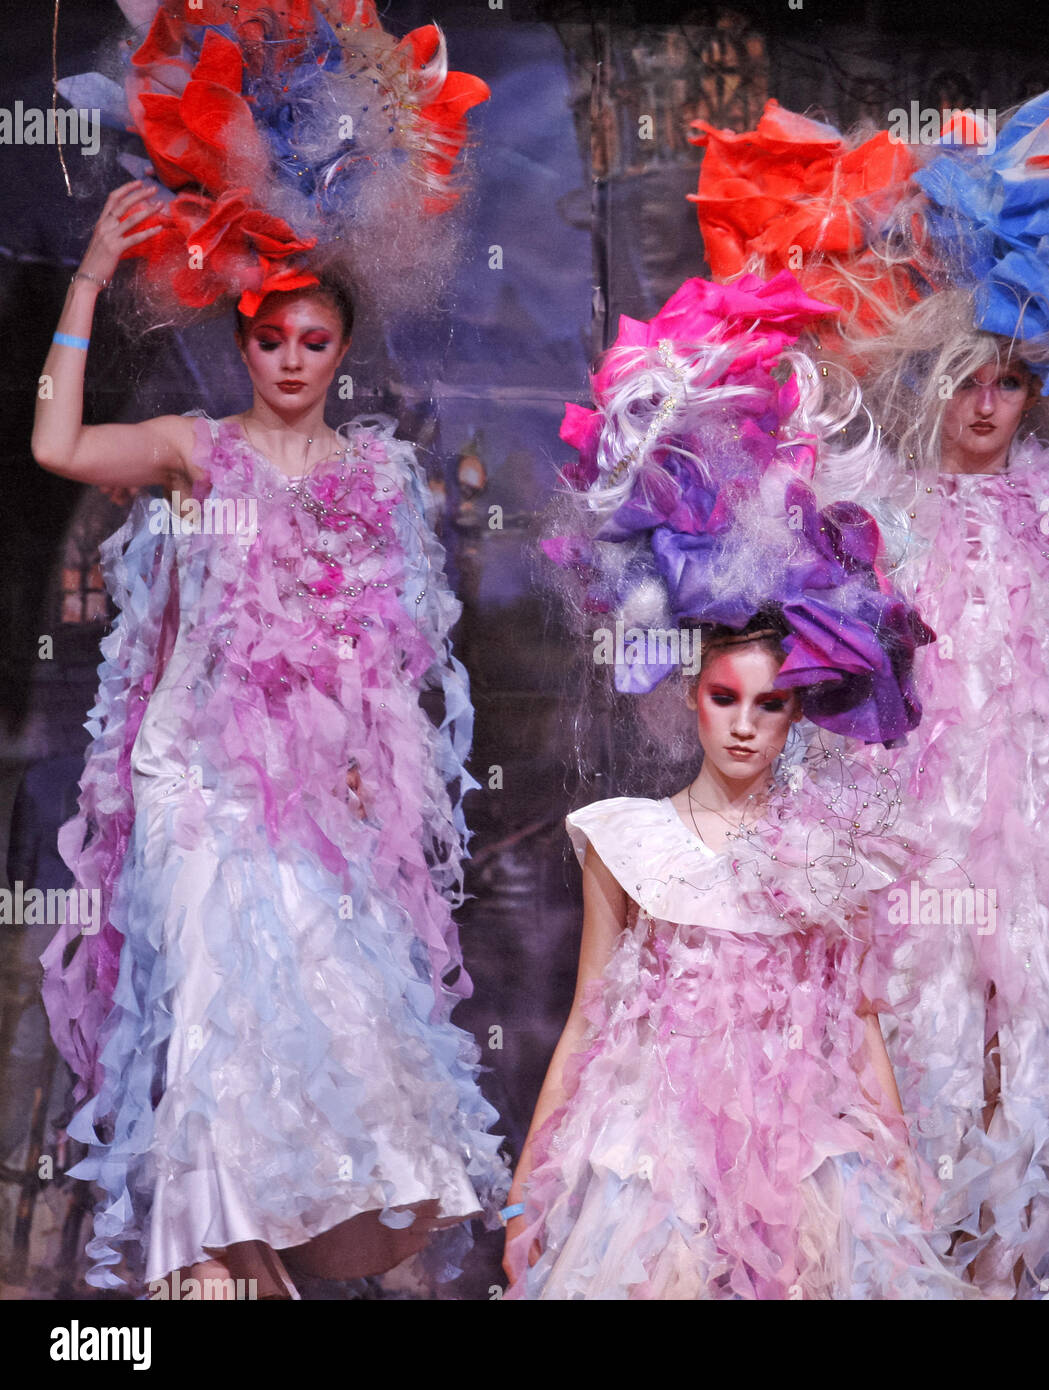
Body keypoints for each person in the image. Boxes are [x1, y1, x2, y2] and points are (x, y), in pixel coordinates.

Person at [687, 50, 1049, 1295]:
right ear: (935, 378)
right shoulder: (884, 518)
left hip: (1035, 853)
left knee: (1037, 1091)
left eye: (1012, 382)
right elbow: (838, 703)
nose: (990, 403)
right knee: (923, 1078)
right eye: (971, 377)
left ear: (1033, 390)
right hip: (916, 851)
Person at [33, 179, 509, 1299]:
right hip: (195, 776)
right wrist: (95, 272)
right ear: (242, 341)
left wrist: (370, 781)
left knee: (316, 1025)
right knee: (204, 1005)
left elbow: (389, 661)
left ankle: (256, 1262)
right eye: (267, 337)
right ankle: (201, 1270)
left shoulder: (375, 478)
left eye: (313, 338)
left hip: (319, 797)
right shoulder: (197, 452)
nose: (290, 359)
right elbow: (55, 445)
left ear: (341, 348)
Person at [506, 271, 974, 1298]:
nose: (747, 724)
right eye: (726, 698)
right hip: (655, 1139)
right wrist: (533, 1183)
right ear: (691, 696)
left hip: (801, 1135)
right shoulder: (627, 841)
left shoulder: (827, 852)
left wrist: (900, 1165)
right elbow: (589, 1012)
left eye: (771, 704)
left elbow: (856, 1018)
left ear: (798, 709)